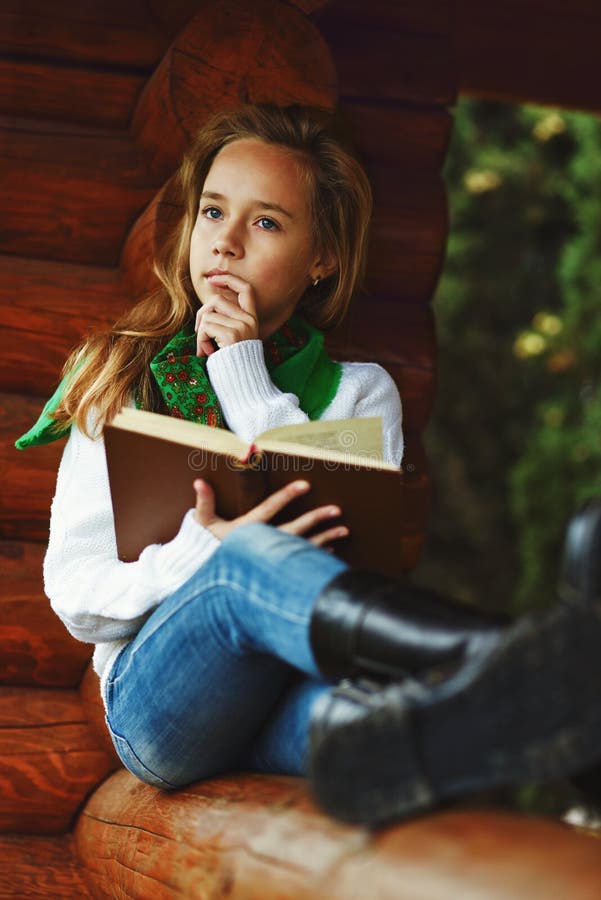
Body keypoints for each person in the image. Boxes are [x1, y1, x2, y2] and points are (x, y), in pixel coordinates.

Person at [16, 104, 601, 828]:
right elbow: (76, 595)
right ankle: (510, 656)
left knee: (367, 721)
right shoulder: (118, 377)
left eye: (264, 222)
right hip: (162, 709)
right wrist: (204, 551)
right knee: (249, 559)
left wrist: (243, 376)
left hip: (293, 694)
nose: (224, 242)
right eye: (211, 212)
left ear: (320, 256)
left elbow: (355, 556)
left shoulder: (359, 393)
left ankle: (559, 733)